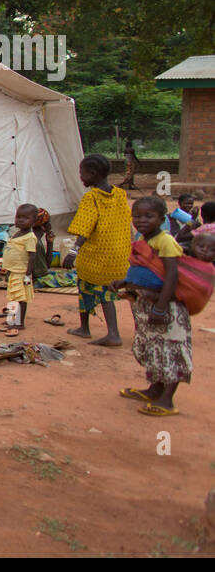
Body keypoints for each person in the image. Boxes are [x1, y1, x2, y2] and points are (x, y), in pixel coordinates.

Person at [112, 196, 190, 416]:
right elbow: (144, 271)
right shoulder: (142, 240)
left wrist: (161, 306)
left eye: (149, 216)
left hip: (167, 307)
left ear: (162, 218)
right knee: (154, 347)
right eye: (137, 215)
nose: (142, 220)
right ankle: (155, 389)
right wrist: (125, 283)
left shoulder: (165, 241)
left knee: (171, 350)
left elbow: (172, 276)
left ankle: (167, 401)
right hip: (148, 304)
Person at [62, 154, 130, 346]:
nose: (81, 178)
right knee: (91, 288)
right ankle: (84, 328)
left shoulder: (91, 197)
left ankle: (112, 334)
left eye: (82, 174)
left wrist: (74, 251)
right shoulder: (120, 194)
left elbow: (85, 227)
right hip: (118, 254)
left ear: (92, 173)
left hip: (96, 256)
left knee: (98, 291)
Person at [0, 204, 38, 329]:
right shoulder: (17, 234)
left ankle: (20, 323)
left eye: (25, 218)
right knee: (13, 296)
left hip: (21, 272)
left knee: (21, 298)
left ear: (34, 221)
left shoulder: (30, 237)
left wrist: (28, 274)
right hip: (13, 271)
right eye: (18, 217)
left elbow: (32, 256)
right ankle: (12, 320)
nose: (20, 220)